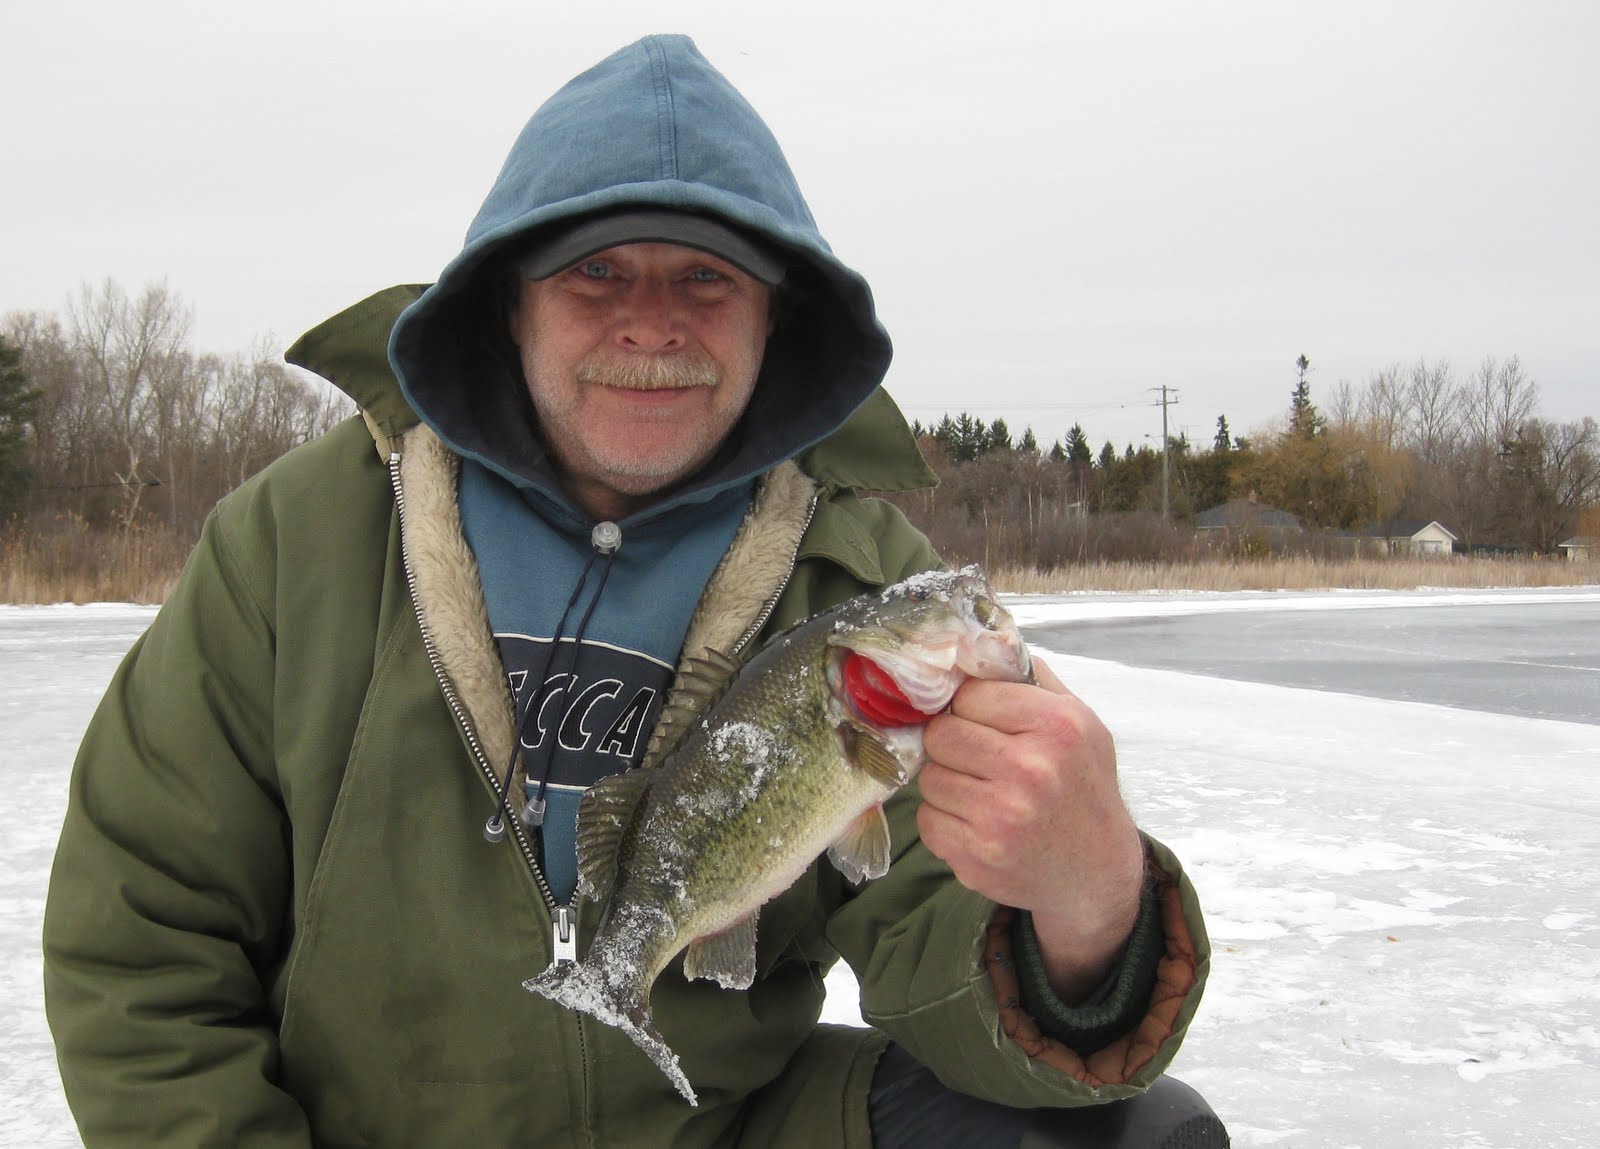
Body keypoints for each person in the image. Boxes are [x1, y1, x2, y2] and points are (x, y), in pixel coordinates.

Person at [43, 35, 1223, 1149]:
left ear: (773, 318)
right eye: (595, 270)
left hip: (716, 1122)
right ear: (511, 303)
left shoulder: (855, 580)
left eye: (708, 278)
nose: (651, 323)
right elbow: (142, 942)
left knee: (1140, 1134)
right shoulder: (295, 541)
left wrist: (1086, 906)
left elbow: (931, 936)